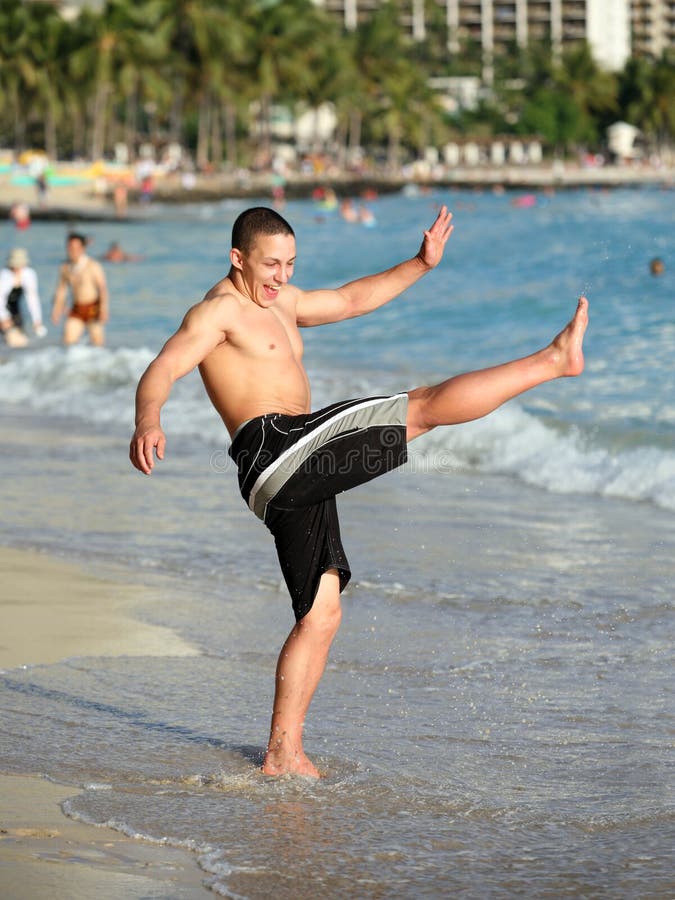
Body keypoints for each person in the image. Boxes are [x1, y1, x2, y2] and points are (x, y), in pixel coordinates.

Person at [129, 206, 589, 778]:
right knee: (420, 408)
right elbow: (163, 367)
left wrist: (420, 264)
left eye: (291, 264)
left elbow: (350, 299)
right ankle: (552, 360)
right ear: (237, 258)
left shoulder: (284, 301)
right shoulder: (219, 311)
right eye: (270, 265)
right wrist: (148, 419)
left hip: (287, 473)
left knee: (322, 614)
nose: (281, 276)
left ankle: (283, 753)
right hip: (278, 448)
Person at [52, 232, 109, 347]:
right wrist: (56, 310)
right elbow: (61, 290)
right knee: (68, 341)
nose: (72, 251)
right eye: (70, 247)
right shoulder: (65, 267)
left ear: (83, 248)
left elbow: (102, 289)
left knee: (98, 344)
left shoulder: (93, 266)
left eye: (76, 248)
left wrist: (104, 309)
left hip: (93, 309)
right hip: (77, 309)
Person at [0, 248, 47, 348]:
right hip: (2, 310)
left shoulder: (29, 274)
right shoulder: (5, 276)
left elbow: (32, 298)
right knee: (13, 339)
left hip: (15, 310)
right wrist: (3, 318)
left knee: (22, 341)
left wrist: (37, 320)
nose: (17, 268)